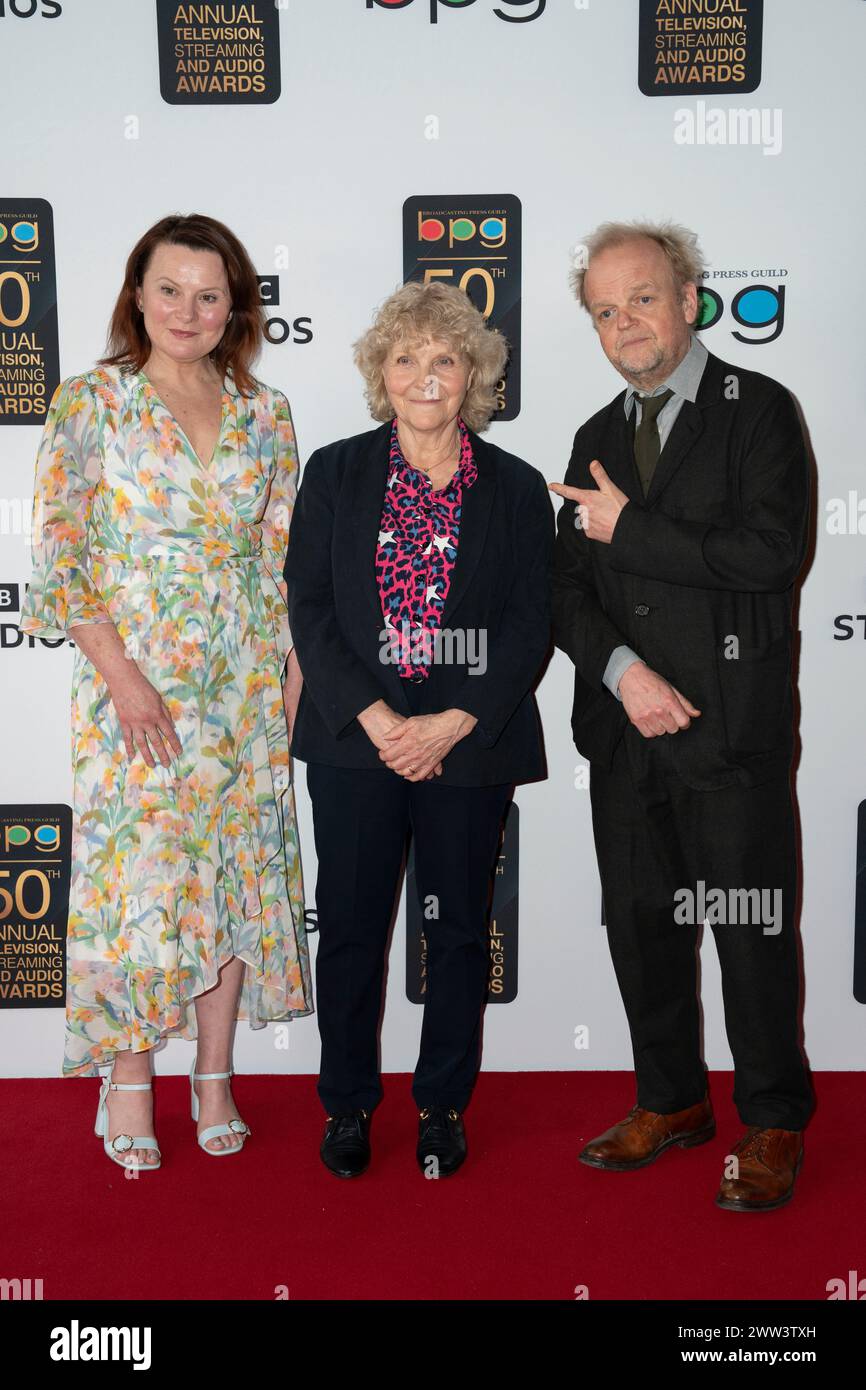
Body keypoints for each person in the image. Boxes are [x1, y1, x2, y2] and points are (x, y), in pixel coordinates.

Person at [19, 213, 312, 1169]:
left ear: (237, 306)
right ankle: (131, 1080)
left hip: (244, 685)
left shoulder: (267, 413)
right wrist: (121, 676)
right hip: (135, 685)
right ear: (137, 296)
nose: (189, 309)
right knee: (139, 891)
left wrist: (290, 680)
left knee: (231, 878)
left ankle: (216, 1076)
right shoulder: (92, 401)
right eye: (170, 289)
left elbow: (286, 560)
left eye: (209, 292)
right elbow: (61, 555)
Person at [550, 220, 813, 1211]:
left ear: (689, 295)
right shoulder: (593, 435)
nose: (625, 322)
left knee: (749, 934)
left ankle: (775, 1120)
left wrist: (635, 528)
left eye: (642, 297)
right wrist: (617, 669)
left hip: (726, 736)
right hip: (625, 736)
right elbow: (565, 588)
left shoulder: (758, 412)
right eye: (604, 310)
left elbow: (768, 555)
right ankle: (669, 1101)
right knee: (641, 928)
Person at [285, 281, 552, 1179]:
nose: (425, 375)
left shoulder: (514, 487)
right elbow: (311, 608)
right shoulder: (335, 472)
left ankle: (441, 1105)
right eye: (406, 358)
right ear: (380, 372)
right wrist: (375, 719)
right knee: (354, 930)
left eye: (444, 358)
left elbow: (529, 621)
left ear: (472, 374)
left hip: (469, 749)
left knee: (460, 933)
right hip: (355, 747)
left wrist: (452, 721)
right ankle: (348, 1107)